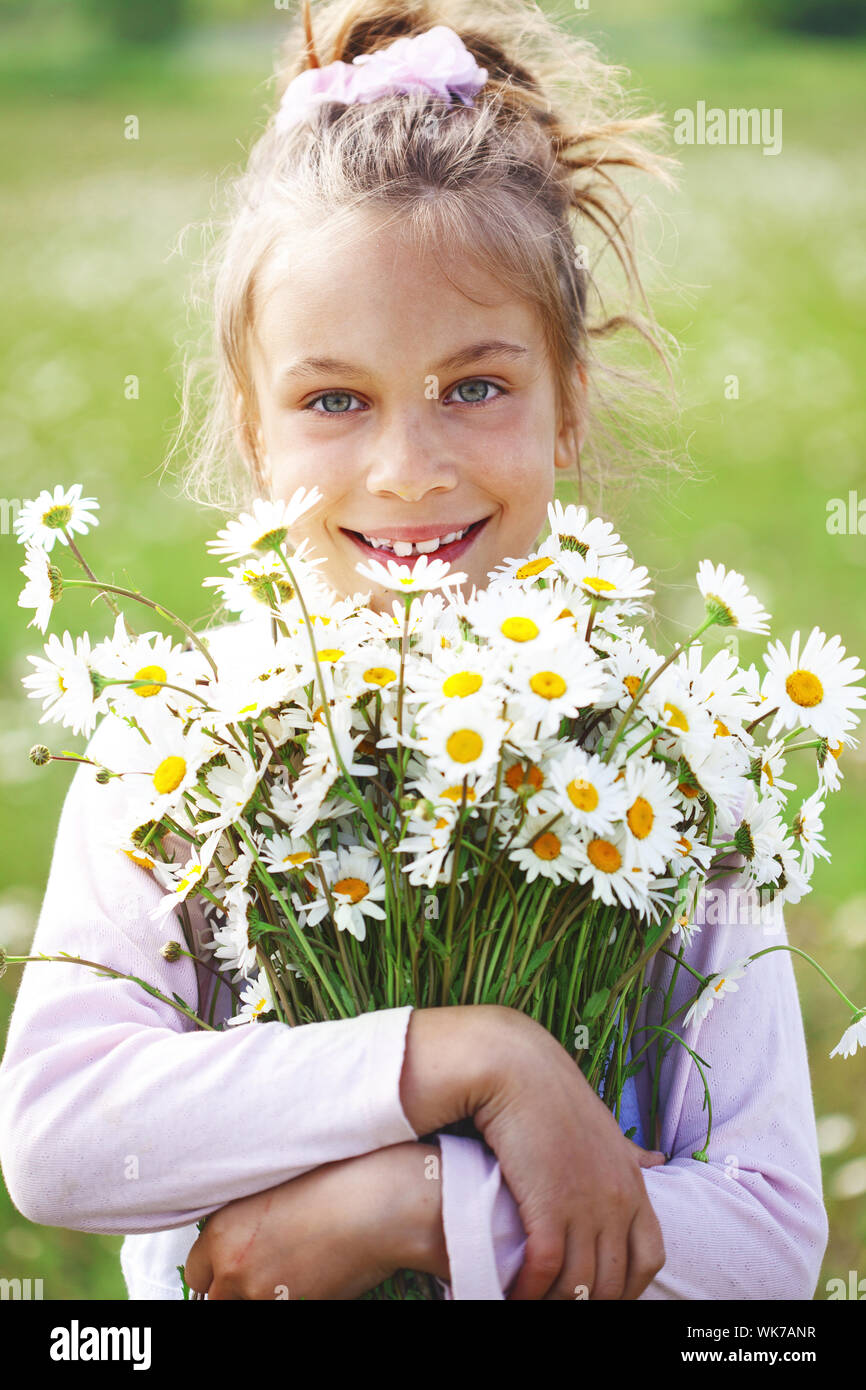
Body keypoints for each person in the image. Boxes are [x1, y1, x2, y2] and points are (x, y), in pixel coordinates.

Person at [0, 0, 828, 1301]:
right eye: (335, 400)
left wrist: (419, 1208)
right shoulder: (178, 749)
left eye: (476, 386)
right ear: (254, 428)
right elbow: (57, 1138)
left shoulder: (666, 776)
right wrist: (462, 1056)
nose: (408, 468)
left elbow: (774, 1248)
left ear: (567, 405)